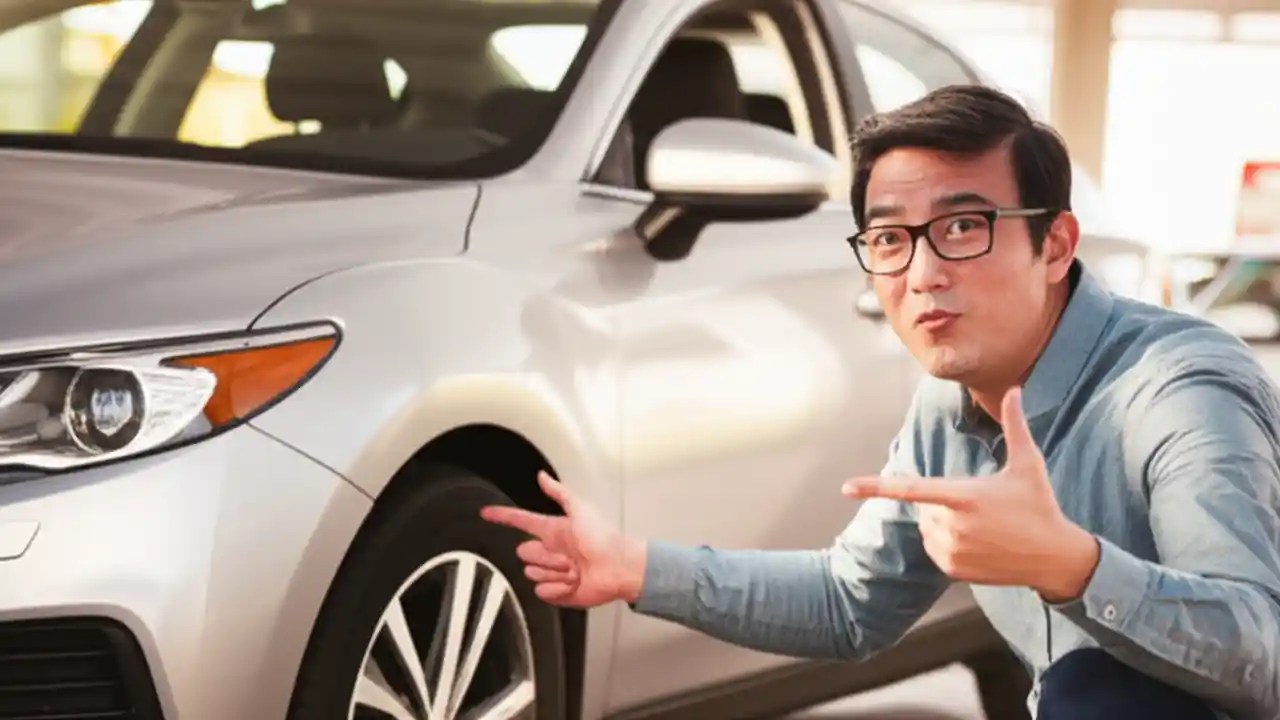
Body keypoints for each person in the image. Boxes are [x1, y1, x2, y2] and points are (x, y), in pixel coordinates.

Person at [480, 85, 1280, 719]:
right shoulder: (949, 407)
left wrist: (1068, 566)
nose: (924, 274)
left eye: (963, 226)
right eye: (891, 239)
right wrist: (632, 568)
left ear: (1057, 245)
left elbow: (1264, 654)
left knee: (1098, 692)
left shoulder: (1178, 389)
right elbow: (848, 603)